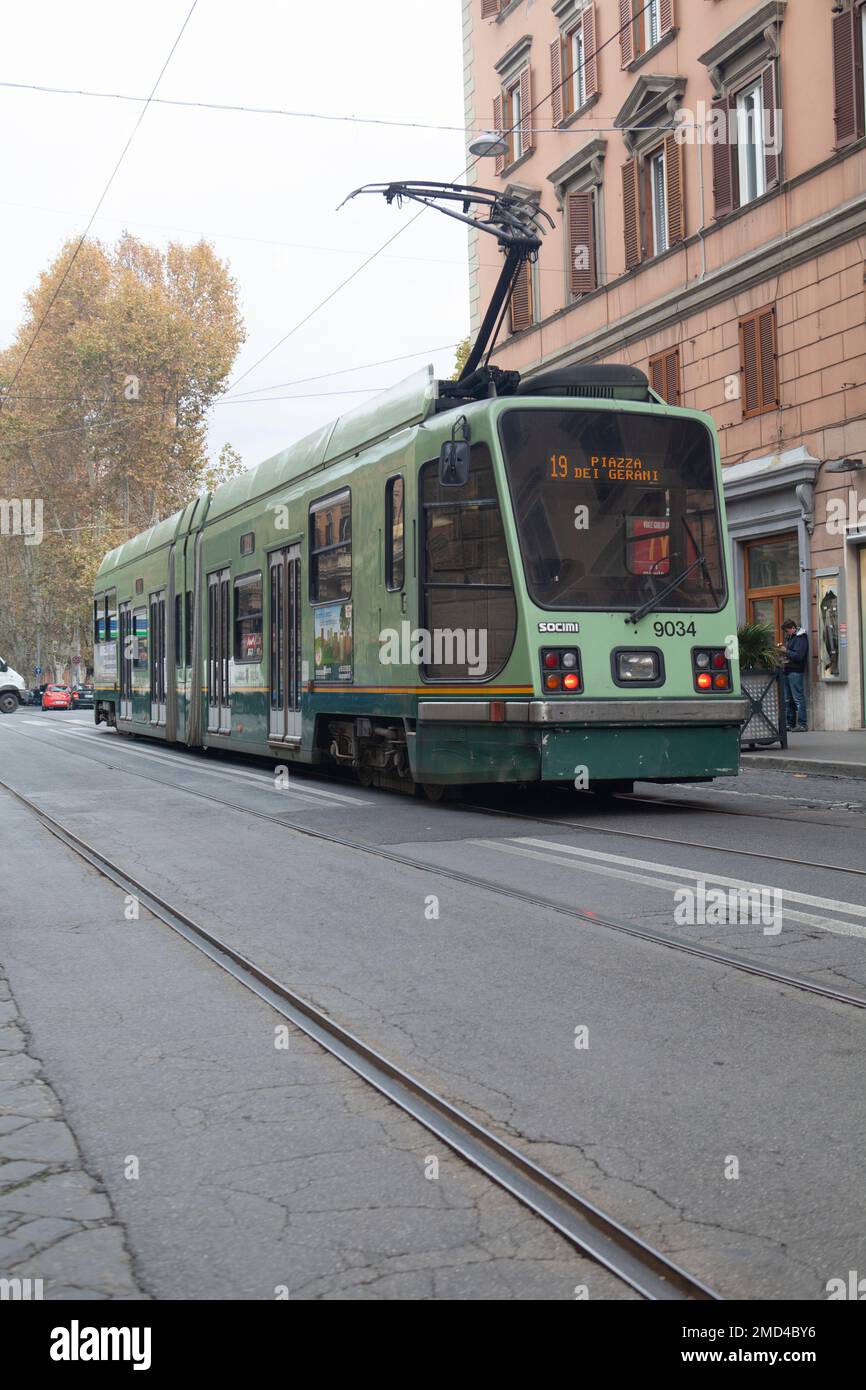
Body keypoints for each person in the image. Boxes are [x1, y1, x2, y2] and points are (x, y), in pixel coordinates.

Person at [781, 618, 809, 731]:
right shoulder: (792, 637)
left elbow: (799, 656)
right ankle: (790, 723)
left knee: (797, 698)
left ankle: (802, 724)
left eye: (787, 631)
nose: (786, 634)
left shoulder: (801, 638)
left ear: (793, 628)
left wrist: (785, 651)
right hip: (788, 670)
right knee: (788, 699)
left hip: (796, 671)